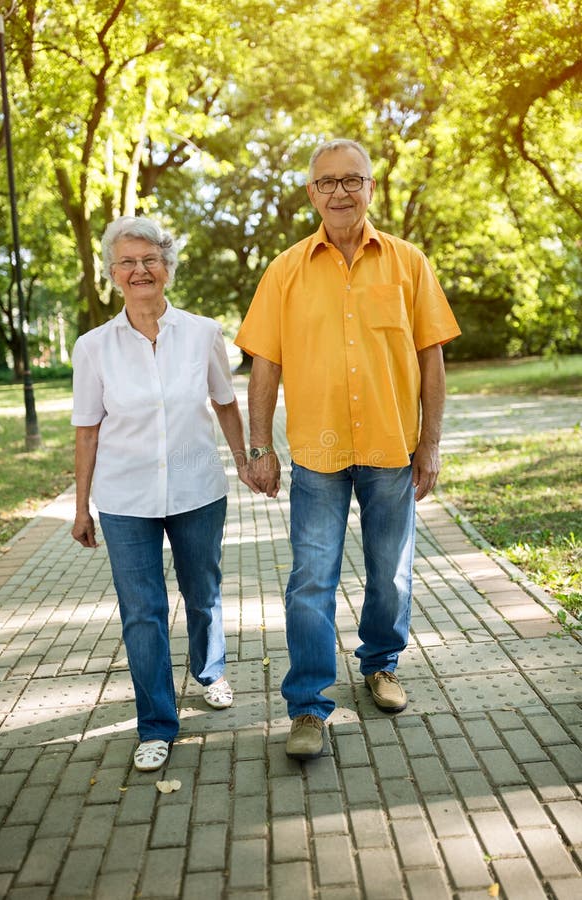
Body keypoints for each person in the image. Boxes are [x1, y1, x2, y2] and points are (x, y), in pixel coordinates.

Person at [235, 139, 460, 761]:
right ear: (311, 193)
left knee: (390, 572)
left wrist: (431, 443)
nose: (339, 191)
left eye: (351, 180)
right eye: (327, 182)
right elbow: (264, 364)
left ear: (369, 187)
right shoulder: (284, 270)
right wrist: (259, 446)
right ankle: (308, 705)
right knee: (311, 580)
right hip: (317, 453)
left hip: (392, 447)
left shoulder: (408, 263)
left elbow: (430, 359)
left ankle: (381, 666)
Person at [71, 215, 258, 772]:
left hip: (197, 487)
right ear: (112, 274)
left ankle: (210, 671)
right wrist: (80, 506)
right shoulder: (93, 347)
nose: (139, 270)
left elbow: (225, 402)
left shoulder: (202, 333)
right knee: (142, 612)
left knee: (203, 589)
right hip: (126, 498)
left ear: (168, 269)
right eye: (127, 262)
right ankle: (156, 723)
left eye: (149, 259)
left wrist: (247, 461)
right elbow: (87, 429)